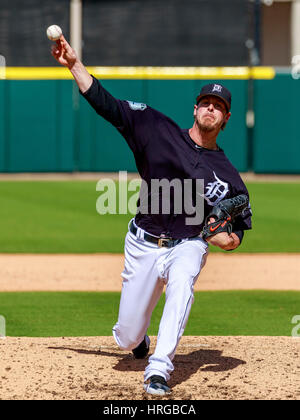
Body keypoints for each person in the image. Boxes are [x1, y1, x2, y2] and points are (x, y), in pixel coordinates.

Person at [51, 36, 252, 396]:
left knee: (182, 285)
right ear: (194, 109)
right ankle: (139, 340)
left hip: (188, 244)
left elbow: (236, 234)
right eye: (205, 102)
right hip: (143, 243)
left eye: (217, 106)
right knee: (125, 337)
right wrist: (73, 65)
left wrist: (225, 238)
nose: (210, 108)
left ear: (226, 118)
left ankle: (158, 370)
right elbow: (107, 106)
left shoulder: (229, 178)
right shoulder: (156, 129)